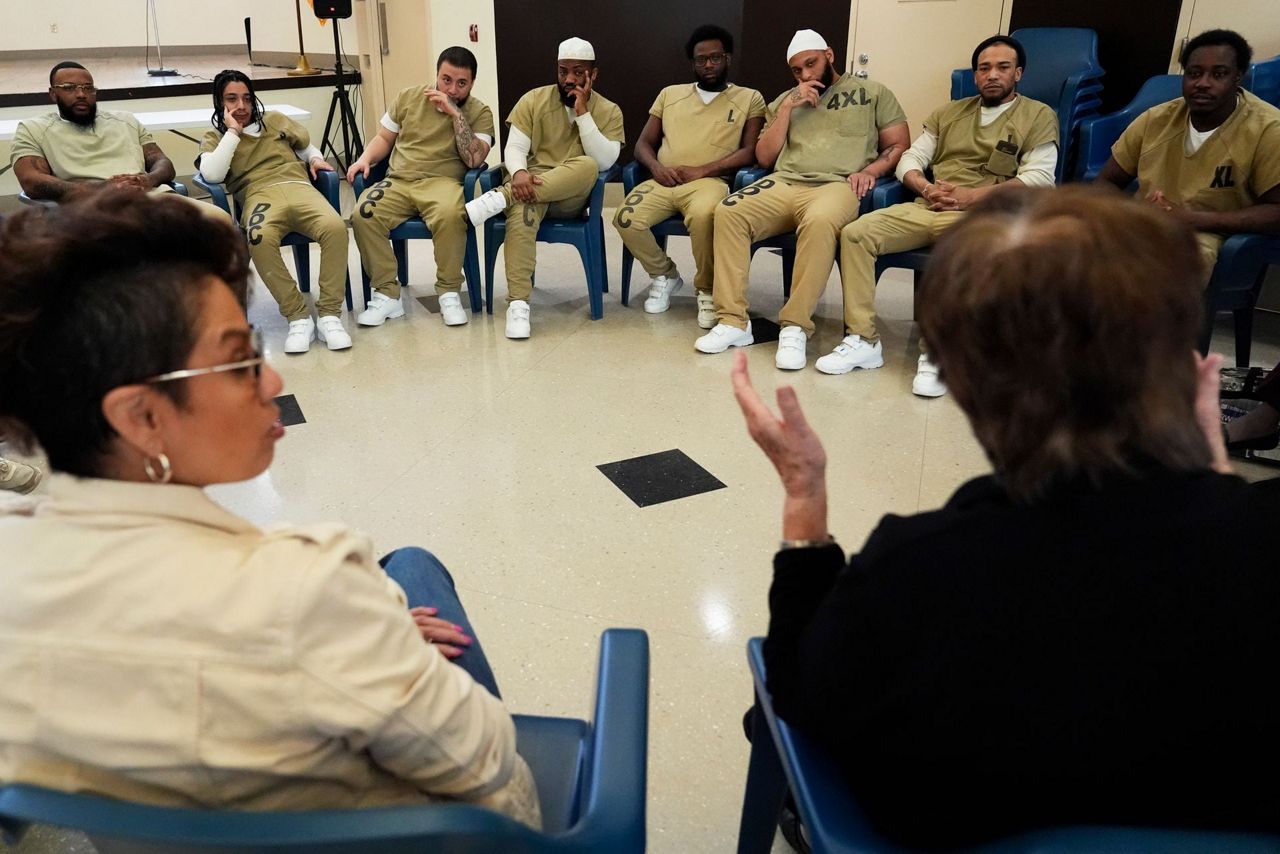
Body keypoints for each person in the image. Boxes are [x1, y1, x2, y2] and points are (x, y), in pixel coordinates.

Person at [732, 185, 1280, 848]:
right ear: (1179, 355)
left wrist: (804, 504)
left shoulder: (917, 572)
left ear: (963, 382)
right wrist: (1215, 483)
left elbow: (800, 691)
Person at [0, 189, 539, 826]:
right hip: (438, 836)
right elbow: (488, 764)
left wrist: (355, 638)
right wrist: (375, 626)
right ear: (141, 416)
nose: (275, 382)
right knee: (412, 568)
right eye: (239, 361)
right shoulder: (306, 590)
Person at [836, 35, 1058, 394]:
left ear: (1018, 73)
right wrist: (925, 188)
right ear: (974, 76)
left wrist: (971, 197)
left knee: (960, 248)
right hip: (931, 205)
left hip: (986, 216)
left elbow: (1039, 179)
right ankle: (863, 340)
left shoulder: (1038, 115)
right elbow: (910, 159)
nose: (992, 75)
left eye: (1003, 67)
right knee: (857, 233)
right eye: (984, 68)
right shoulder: (949, 113)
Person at [695, 29, 909, 371]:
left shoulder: (872, 93)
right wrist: (787, 110)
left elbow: (899, 143)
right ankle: (734, 322)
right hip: (784, 182)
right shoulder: (785, 100)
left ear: (829, 55)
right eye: (797, 70)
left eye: (811, 64)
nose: (806, 74)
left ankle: (794, 327)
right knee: (728, 211)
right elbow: (764, 158)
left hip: (837, 186)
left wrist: (874, 170)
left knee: (820, 221)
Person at [464, 37, 625, 339]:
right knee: (522, 212)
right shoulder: (534, 99)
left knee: (587, 165)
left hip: (572, 197)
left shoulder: (609, 110)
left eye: (579, 72)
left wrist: (583, 112)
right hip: (532, 189)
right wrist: (521, 172)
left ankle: (500, 196)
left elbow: (605, 161)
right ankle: (519, 304)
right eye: (563, 71)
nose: (570, 79)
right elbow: (515, 147)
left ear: (594, 74)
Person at [613, 24, 766, 324]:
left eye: (715, 57)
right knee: (625, 219)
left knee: (705, 216)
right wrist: (657, 168)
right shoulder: (670, 95)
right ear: (692, 63)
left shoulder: (750, 98)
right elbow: (643, 143)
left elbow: (751, 151)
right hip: (664, 180)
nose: (708, 65)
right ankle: (664, 275)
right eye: (701, 59)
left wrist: (703, 170)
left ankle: (707, 289)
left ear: (728, 59)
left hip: (709, 183)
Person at [1097, 29, 1280, 277]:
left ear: (1238, 77)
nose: (1203, 83)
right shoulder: (1156, 119)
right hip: (1145, 223)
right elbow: (1106, 182)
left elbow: (1275, 212)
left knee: (1158, 269)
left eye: (1219, 74)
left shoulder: (1269, 129)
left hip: (1210, 234)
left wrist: (1191, 219)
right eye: (1194, 73)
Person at [198, 70, 351, 355]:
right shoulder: (215, 137)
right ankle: (297, 317)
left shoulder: (276, 120)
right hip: (259, 195)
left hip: (298, 186)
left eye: (247, 98)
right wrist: (233, 132)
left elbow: (305, 146)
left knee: (335, 227)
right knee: (259, 237)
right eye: (232, 99)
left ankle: (329, 315)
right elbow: (213, 174)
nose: (241, 106)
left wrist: (316, 159)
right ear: (219, 103)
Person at [347, 46, 495, 329]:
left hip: (442, 183)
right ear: (437, 75)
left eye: (461, 83)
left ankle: (449, 293)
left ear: (472, 83)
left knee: (452, 215)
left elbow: (475, 158)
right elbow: (384, 138)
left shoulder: (479, 111)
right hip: (399, 180)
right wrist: (364, 159)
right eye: (446, 79)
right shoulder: (409, 97)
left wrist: (456, 116)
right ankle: (386, 293)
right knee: (363, 213)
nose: (451, 89)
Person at [10, 62, 224, 220]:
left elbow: (162, 162)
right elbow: (32, 181)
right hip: (90, 207)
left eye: (88, 88)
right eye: (69, 88)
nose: (81, 94)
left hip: (149, 197)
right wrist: (103, 188)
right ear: (52, 94)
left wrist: (148, 180)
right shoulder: (33, 129)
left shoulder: (125, 120)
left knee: (218, 219)